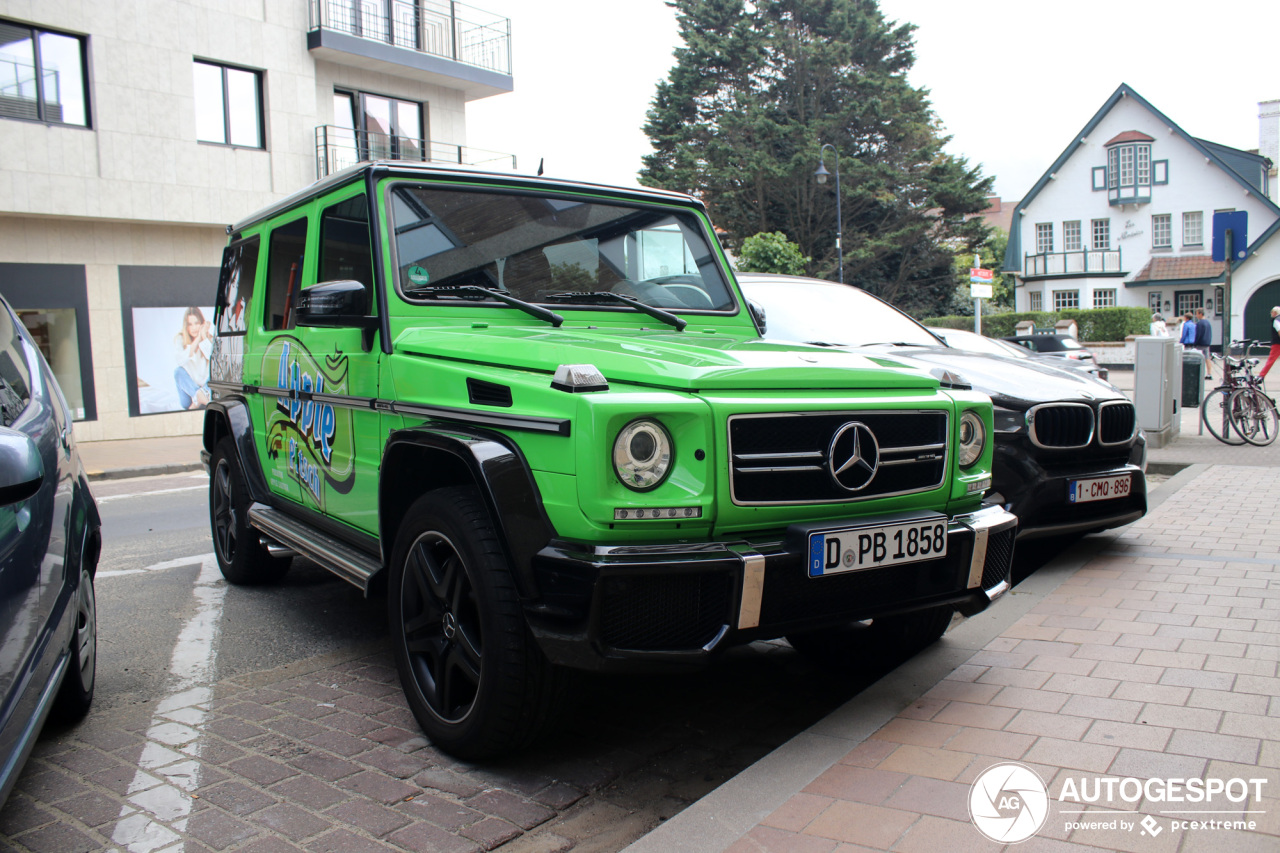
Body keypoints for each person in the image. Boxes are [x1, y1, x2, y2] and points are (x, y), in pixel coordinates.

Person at [173, 306, 212, 409]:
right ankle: (197, 396)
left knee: (216, 371)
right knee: (178, 372)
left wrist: (203, 337)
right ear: (186, 326)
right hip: (189, 393)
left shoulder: (208, 339)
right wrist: (198, 338)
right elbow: (180, 360)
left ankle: (197, 401)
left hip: (206, 389)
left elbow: (214, 360)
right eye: (190, 324)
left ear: (202, 324)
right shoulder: (180, 339)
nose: (194, 327)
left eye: (196, 323)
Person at [1259, 306, 1280, 382]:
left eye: (1271, 312)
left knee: (1271, 360)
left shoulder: (1276, 321)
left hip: (1277, 344)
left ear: (1275, 312)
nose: (1271, 313)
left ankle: (1261, 375)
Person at [1194, 307, 1213, 380]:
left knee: (1198, 358)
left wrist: (1195, 343)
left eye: (1197, 314)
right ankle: (1209, 373)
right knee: (1207, 358)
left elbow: (1198, 334)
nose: (1196, 316)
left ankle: (1199, 373)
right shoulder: (1208, 322)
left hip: (1200, 343)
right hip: (1207, 343)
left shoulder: (1199, 323)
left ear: (1200, 314)